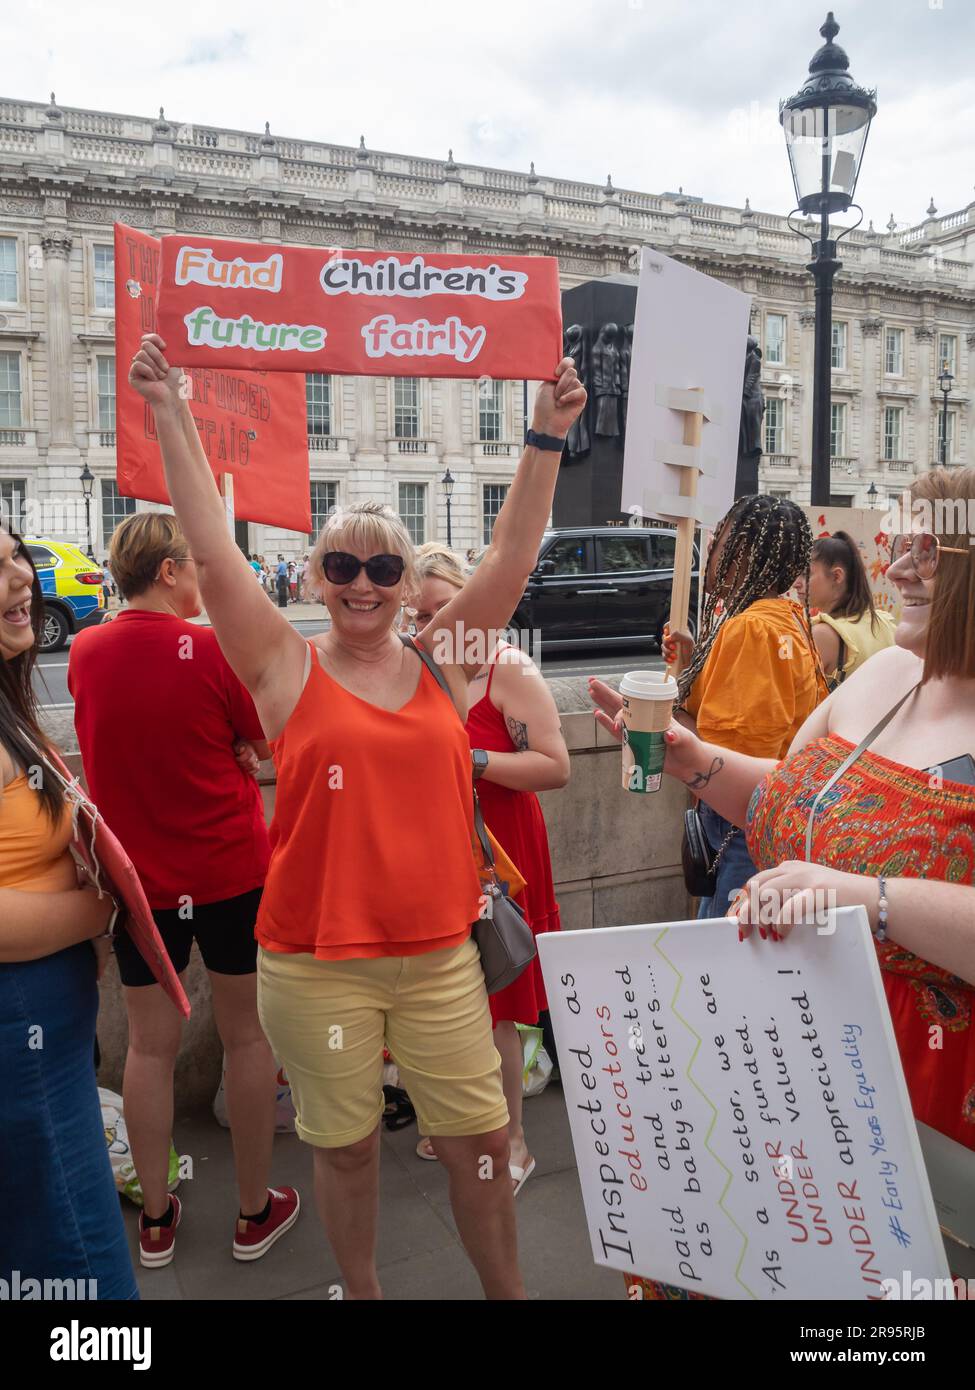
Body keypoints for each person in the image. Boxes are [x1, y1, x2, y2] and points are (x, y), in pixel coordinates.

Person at [128, 331, 585, 1301]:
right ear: (318, 572)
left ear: (406, 580)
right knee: (343, 1157)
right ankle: (364, 1292)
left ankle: (508, 1293)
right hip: (318, 965)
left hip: (440, 962)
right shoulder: (284, 668)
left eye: (386, 568)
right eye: (345, 564)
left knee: (485, 1146)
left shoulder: (445, 661)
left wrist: (544, 436)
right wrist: (169, 414)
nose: (366, 584)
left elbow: (510, 552)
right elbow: (211, 554)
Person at [68, 512, 298, 1269]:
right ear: (168, 570)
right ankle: (253, 1212)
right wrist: (237, 749)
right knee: (247, 1037)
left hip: (142, 885)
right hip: (229, 871)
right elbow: (269, 744)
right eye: (194, 565)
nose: (203, 579)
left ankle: (158, 1222)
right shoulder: (209, 647)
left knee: (148, 1050)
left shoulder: (85, 649)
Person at [0, 524, 139, 1299]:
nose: (22, 575)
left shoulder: (9, 703)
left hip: (46, 1043)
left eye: (15, 554)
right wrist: (99, 911)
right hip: (21, 1049)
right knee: (80, 1272)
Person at [407, 544, 569, 1190]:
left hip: (501, 858)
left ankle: (514, 1143)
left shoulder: (510, 670)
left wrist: (473, 761)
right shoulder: (408, 672)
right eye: (416, 615)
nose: (428, 627)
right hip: (436, 850)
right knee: (442, 1000)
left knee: (498, 1007)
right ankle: (448, 1125)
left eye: (443, 609)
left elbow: (556, 767)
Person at [595, 495, 828, 918]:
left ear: (740, 553)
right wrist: (693, 661)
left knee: (726, 962)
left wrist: (657, 716)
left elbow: (727, 761)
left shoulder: (750, 629)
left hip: (741, 832)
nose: (711, 553)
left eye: (717, 542)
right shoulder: (789, 619)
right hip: (774, 826)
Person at [794, 530, 896, 688]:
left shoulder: (823, 634)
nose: (796, 583)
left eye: (806, 574)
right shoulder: (886, 622)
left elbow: (794, 698)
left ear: (837, 577)